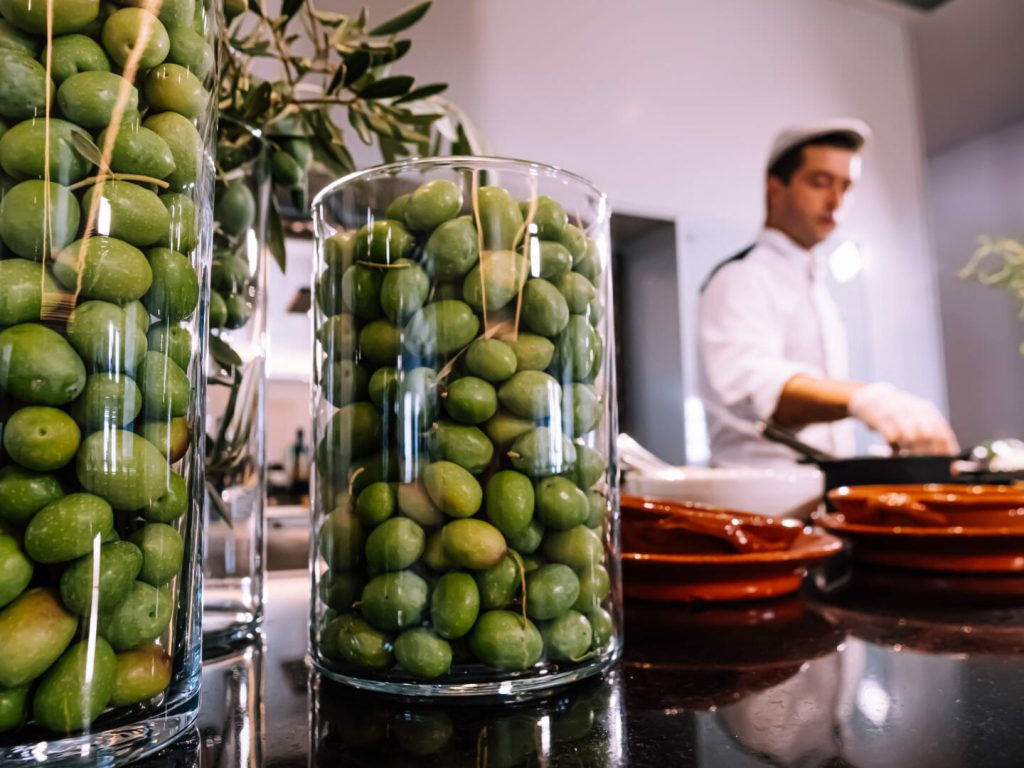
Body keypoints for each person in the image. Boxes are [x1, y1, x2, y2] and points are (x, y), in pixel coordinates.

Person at [697, 119, 958, 468]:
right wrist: (866, 399)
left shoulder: (817, 287)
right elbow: (756, 384)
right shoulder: (740, 277)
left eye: (846, 187)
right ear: (775, 190)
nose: (836, 202)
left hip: (817, 489)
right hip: (759, 497)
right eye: (819, 183)